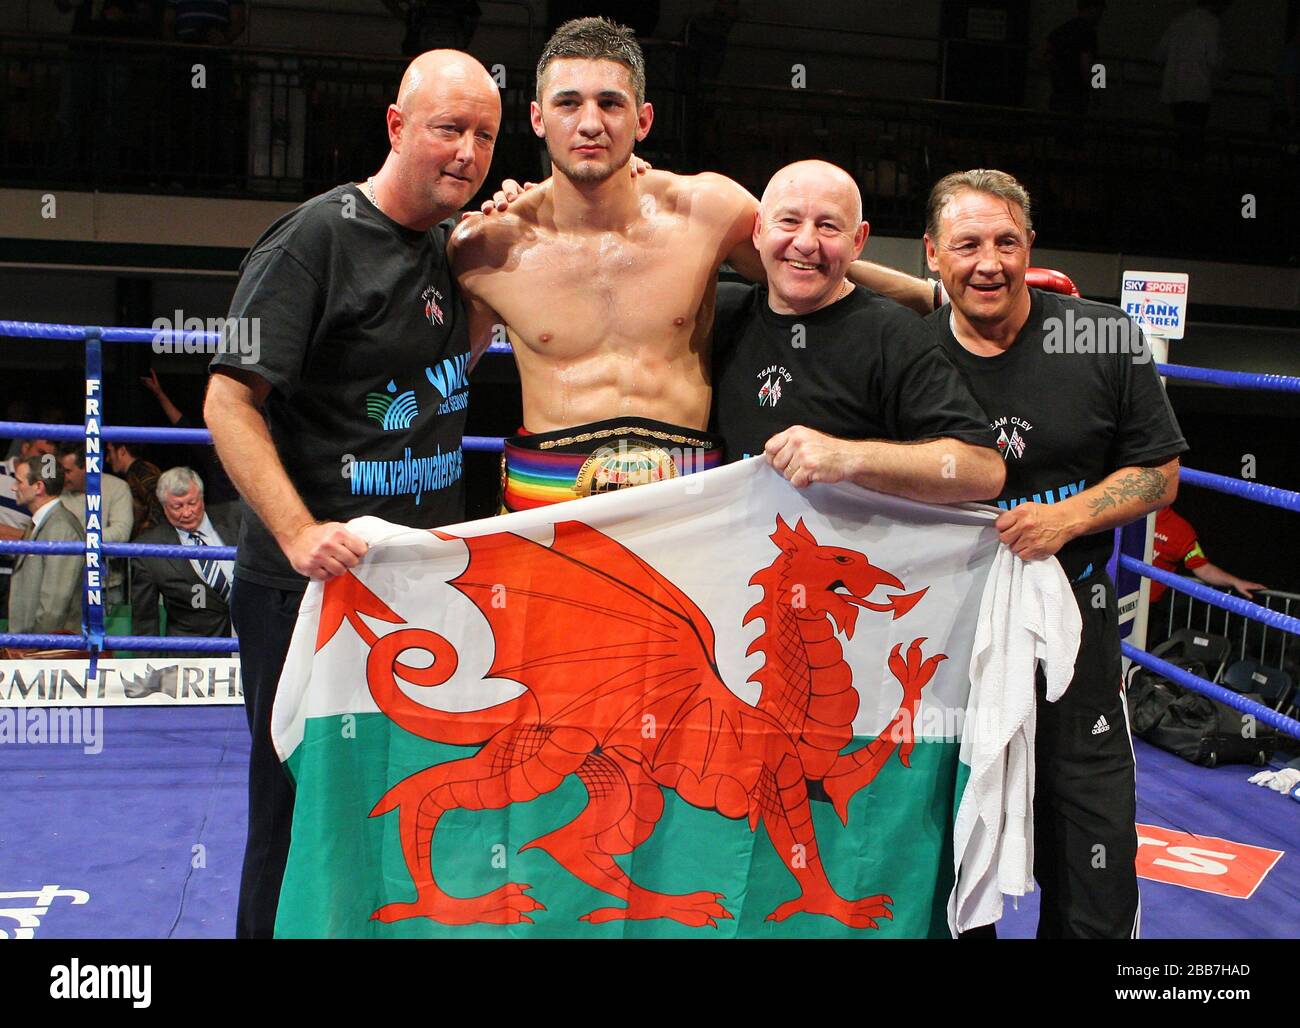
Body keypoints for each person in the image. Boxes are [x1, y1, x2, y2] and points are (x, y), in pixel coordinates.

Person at [203, 49, 500, 939]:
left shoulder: (451, 245)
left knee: (401, 800)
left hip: (412, 584)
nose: (468, 152)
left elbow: (432, 375)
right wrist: (299, 532)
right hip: (308, 590)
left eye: (485, 135)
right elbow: (227, 399)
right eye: (449, 128)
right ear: (396, 126)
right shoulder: (311, 240)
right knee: (295, 806)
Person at [453, 17, 936, 512]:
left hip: (685, 515)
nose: (591, 123)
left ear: (643, 120)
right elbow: (437, 385)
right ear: (538, 118)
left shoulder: (708, 212)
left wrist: (934, 295)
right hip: (548, 514)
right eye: (568, 103)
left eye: (611, 103)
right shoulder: (488, 246)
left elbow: (811, 261)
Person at [922, 169, 1187, 938]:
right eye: (967, 244)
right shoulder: (903, 347)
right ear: (932, 254)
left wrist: (1066, 518)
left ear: (1030, 246)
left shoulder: (1101, 337)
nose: (990, 263)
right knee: (941, 825)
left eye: (1007, 242)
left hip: (1074, 616)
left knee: (1091, 834)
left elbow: (1160, 473)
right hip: (943, 631)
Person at [711, 159, 1005, 505]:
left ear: (858, 241)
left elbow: (981, 471)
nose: (805, 242)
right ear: (759, 229)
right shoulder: (719, 315)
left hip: (839, 541)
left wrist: (849, 459)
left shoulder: (893, 334)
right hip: (732, 537)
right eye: (789, 221)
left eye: (828, 226)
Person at [130, 467, 239, 657]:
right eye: (177, 507)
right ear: (164, 507)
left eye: (192, 503)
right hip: (194, 655)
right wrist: (150, 669)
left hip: (250, 643)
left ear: (201, 497)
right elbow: (145, 620)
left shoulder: (236, 517)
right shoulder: (148, 550)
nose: (187, 512)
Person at [9, 457, 85, 636]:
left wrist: (36, 645)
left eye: (19, 482)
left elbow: (54, 605)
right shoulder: (43, 523)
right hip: (32, 641)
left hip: (45, 645)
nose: (13, 487)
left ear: (38, 487)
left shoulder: (60, 528)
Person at [57, 443, 134, 609]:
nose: (63, 476)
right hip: (63, 584)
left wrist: (77, 539)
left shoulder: (117, 488)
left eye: (68, 471)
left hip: (105, 585)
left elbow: (121, 532)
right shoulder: (57, 492)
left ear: (87, 468)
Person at [1156, 1, 1230, 156]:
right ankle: (1189, 165)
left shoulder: (1178, 21)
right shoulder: (1211, 23)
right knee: (1194, 138)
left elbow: (1161, 53)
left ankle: (1181, 164)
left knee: (1183, 136)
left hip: (1175, 91)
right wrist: (1225, 72)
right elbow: (1214, 58)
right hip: (1198, 91)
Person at [1046, 1, 1105, 115]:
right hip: (1077, 94)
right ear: (1092, 9)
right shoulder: (1088, 32)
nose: (1100, 17)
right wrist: (1095, 91)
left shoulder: (1062, 30)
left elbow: (1042, 53)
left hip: (1058, 92)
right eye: (1100, 12)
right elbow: (1086, 65)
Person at [106, 440, 165, 539]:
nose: (107, 459)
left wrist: (145, 537)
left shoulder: (143, 473)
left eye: (109, 451)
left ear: (122, 451)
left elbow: (159, 505)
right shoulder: (138, 472)